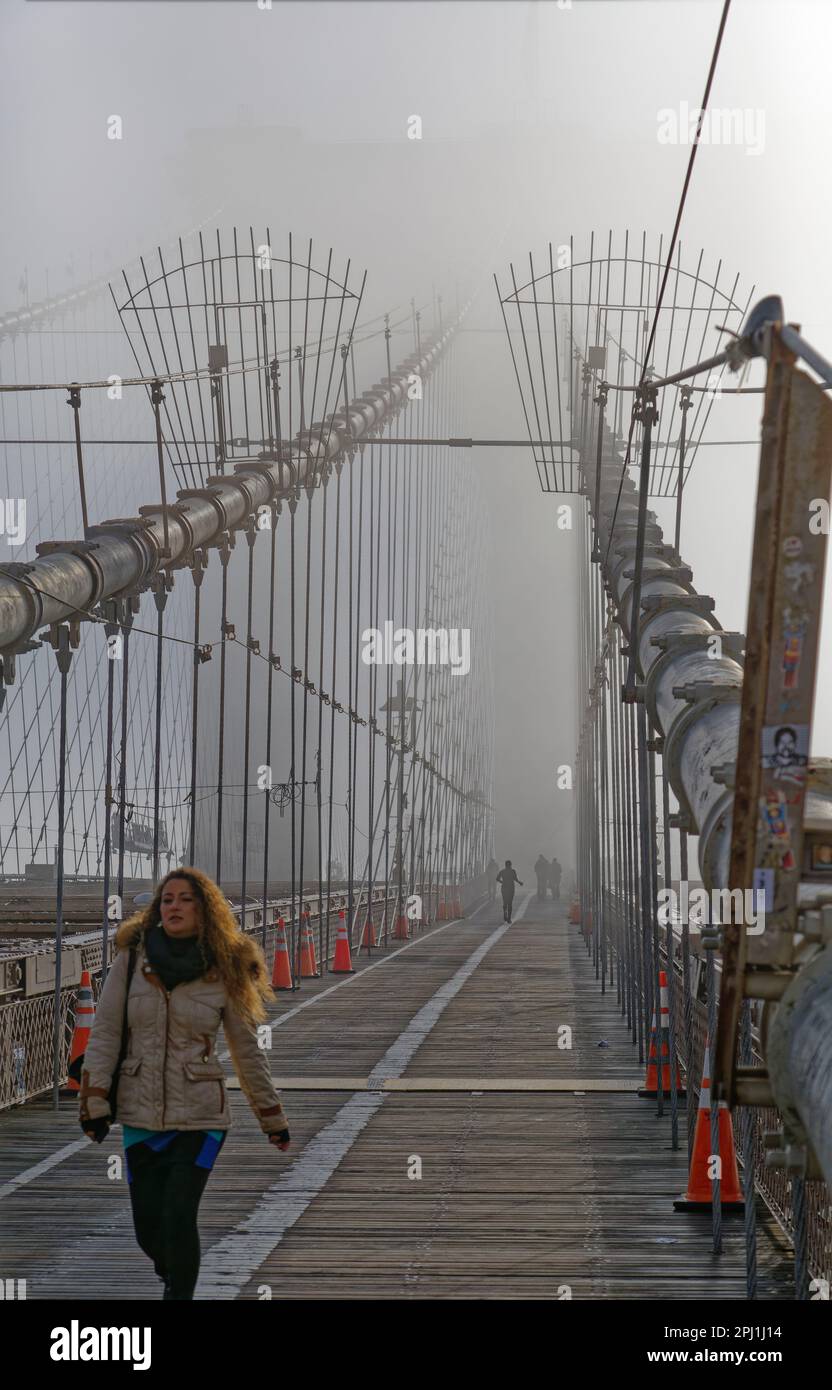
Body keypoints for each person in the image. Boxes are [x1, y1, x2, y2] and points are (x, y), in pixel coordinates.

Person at [79, 866, 291, 1300]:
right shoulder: (133, 960)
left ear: (205, 909)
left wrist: (271, 1116)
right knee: (149, 1231)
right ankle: (176, 1270)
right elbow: (104, 1033)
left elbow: (246, 1048)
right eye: (168, 899)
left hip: (201, 1114)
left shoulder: (225, 967)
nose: (174, 906)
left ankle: (179, 1292)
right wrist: (95, 1099)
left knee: (178, 1216)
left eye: (185, 899)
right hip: (140, 1111)